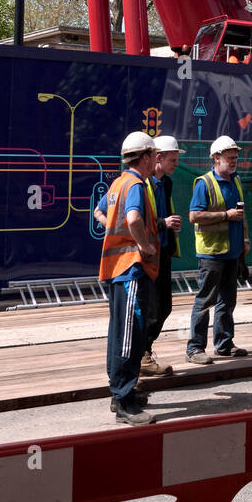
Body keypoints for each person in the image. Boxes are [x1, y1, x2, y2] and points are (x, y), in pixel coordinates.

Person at [99, 131, 160, 425]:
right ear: (146, 157)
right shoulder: (135, 184)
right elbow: (134, 219)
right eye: (154, 156)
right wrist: (144, 246)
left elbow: (99, 213)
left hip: (115, 269)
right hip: (130, 268)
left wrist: (119, 233)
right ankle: (124, 400)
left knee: (118, 333)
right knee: (129, 335)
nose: (156, 162)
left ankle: (119, 394)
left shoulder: (117, 183)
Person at [187, 134, 250, 364]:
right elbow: (194, 216)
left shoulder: (236, 181)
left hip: (232, 252)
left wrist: (245, 240)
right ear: (216, 158)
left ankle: (224, 344)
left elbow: (242, 215)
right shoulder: (204, 183)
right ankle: (195, 348)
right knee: (205, 300)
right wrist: (225, 215)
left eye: (235, 158)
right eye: (229, 157)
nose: (234, 161)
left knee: (227, 300)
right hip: (212, 252)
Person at [141, 136, 184, 376]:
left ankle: (143, 351)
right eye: (173, 159)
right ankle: (141, 355)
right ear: (159, 158)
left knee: (164, 307)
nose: (176, 164)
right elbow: (137, 219)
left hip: (163, 251)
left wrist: (169, 225)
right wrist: (163, 223)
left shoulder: (166, 183)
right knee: (150, 307)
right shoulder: (141, 184)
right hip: (147, 253)